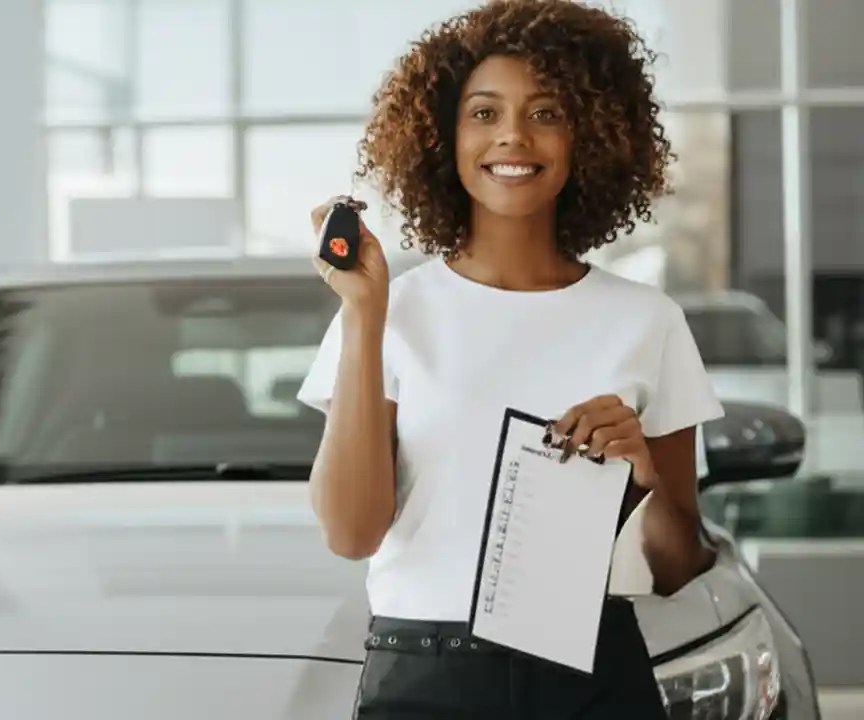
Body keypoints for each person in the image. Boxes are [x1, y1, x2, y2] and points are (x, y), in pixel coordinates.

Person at [297, 1, 724, 717]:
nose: (514, 136)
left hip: (595, 677)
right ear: (444, 134)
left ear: (590, 133)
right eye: (484, 113)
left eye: (546, 112)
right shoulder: (387, 310)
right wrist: (364, 314)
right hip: (425, 681)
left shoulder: (647, 322)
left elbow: (677, 567)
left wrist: (644, 481)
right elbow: (350, 532)